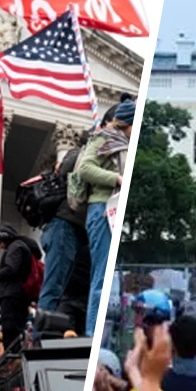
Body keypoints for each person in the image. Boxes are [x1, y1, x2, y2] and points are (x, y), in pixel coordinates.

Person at [77, 99, 131, 337]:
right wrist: (118, 179)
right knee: (102, 277)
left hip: (114, 208)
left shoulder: (123, 143)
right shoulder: (104, 138)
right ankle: (92, 335)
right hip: (102, 208)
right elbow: (85, 169)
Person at [39, 134, 89, 314]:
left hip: (69, 229)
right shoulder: (77, 155)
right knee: (54, 287)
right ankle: (41, 336)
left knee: (60, 289)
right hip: (64, 225)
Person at [0, 225, 43, 346]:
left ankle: (12, 358)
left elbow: (11, 270)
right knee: (17, 329)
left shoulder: (15, 247)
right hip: (19, 295)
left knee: (10, 330)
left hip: (12, 296)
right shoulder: (22, 247)